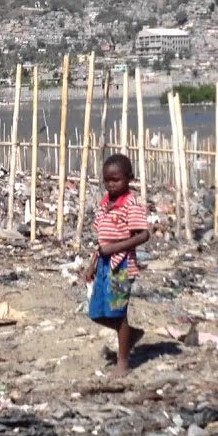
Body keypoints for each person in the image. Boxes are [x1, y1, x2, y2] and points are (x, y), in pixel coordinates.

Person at [83, 153, 150, 376]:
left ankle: (123, 362)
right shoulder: (104, 204)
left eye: (116, 180)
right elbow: (101, 240)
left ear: (128, 178)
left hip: (122, 266)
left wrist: (117, 247)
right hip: (103, 264)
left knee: (118, 313)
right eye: (107, 180)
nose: (111, 184)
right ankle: (129, 335)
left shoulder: (130, 204)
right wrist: (93, 263)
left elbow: (143, 235)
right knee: (97, 312)